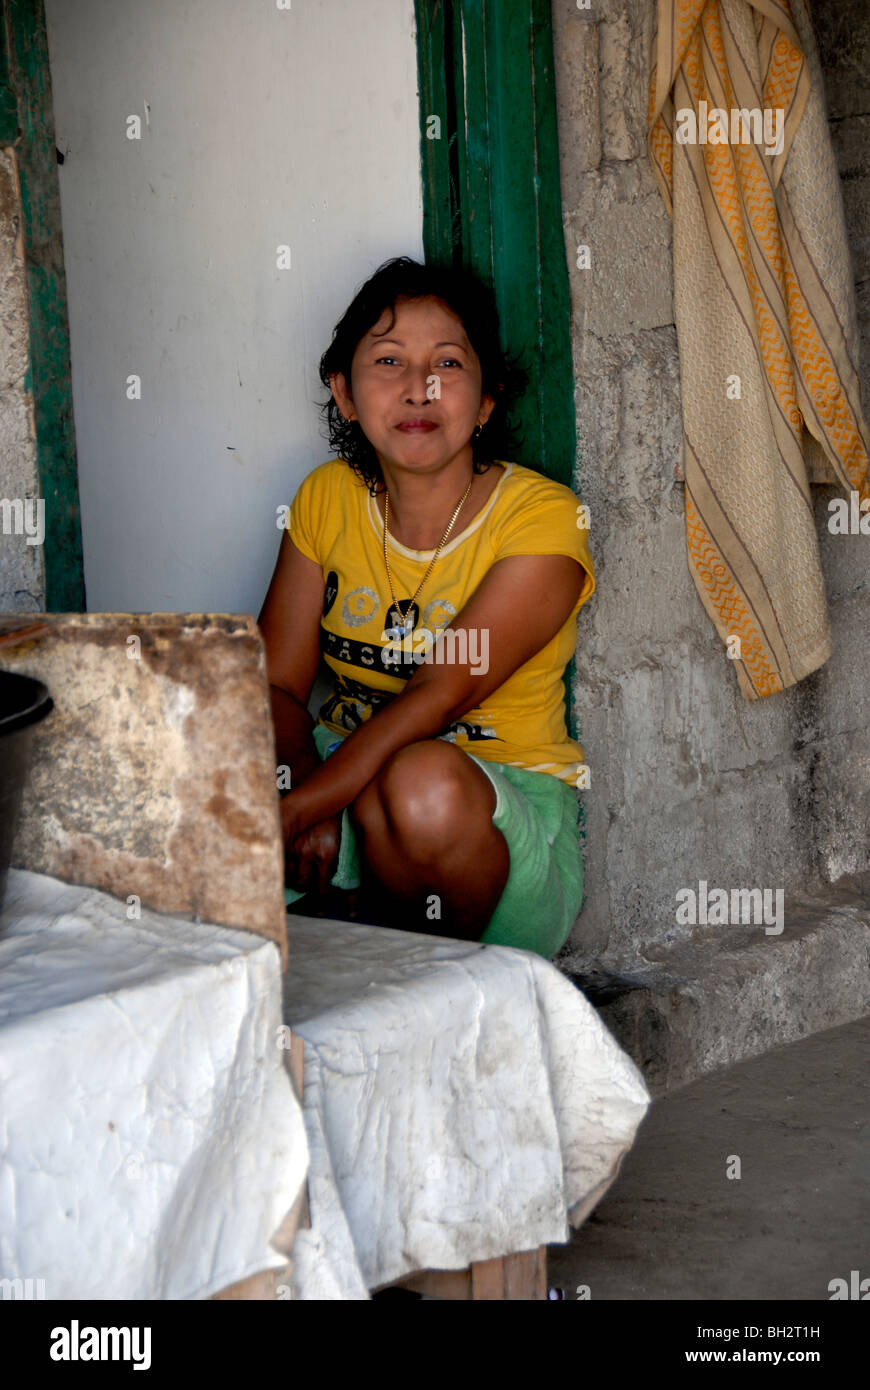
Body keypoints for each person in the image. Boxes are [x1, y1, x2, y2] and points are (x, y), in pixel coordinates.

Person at [257, 256, 595, 957]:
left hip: (487, 827)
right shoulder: (326, 498)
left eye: (447, 362)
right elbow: (275, 683)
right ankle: (361, 931)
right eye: (388, 362)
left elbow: (437, 698)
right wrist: (306, 789)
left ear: (489, 398)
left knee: (420, 785)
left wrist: (301, 808)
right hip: (341, 787)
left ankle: (399, 960)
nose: (420, 389)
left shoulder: (544, 520)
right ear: (345, 394)